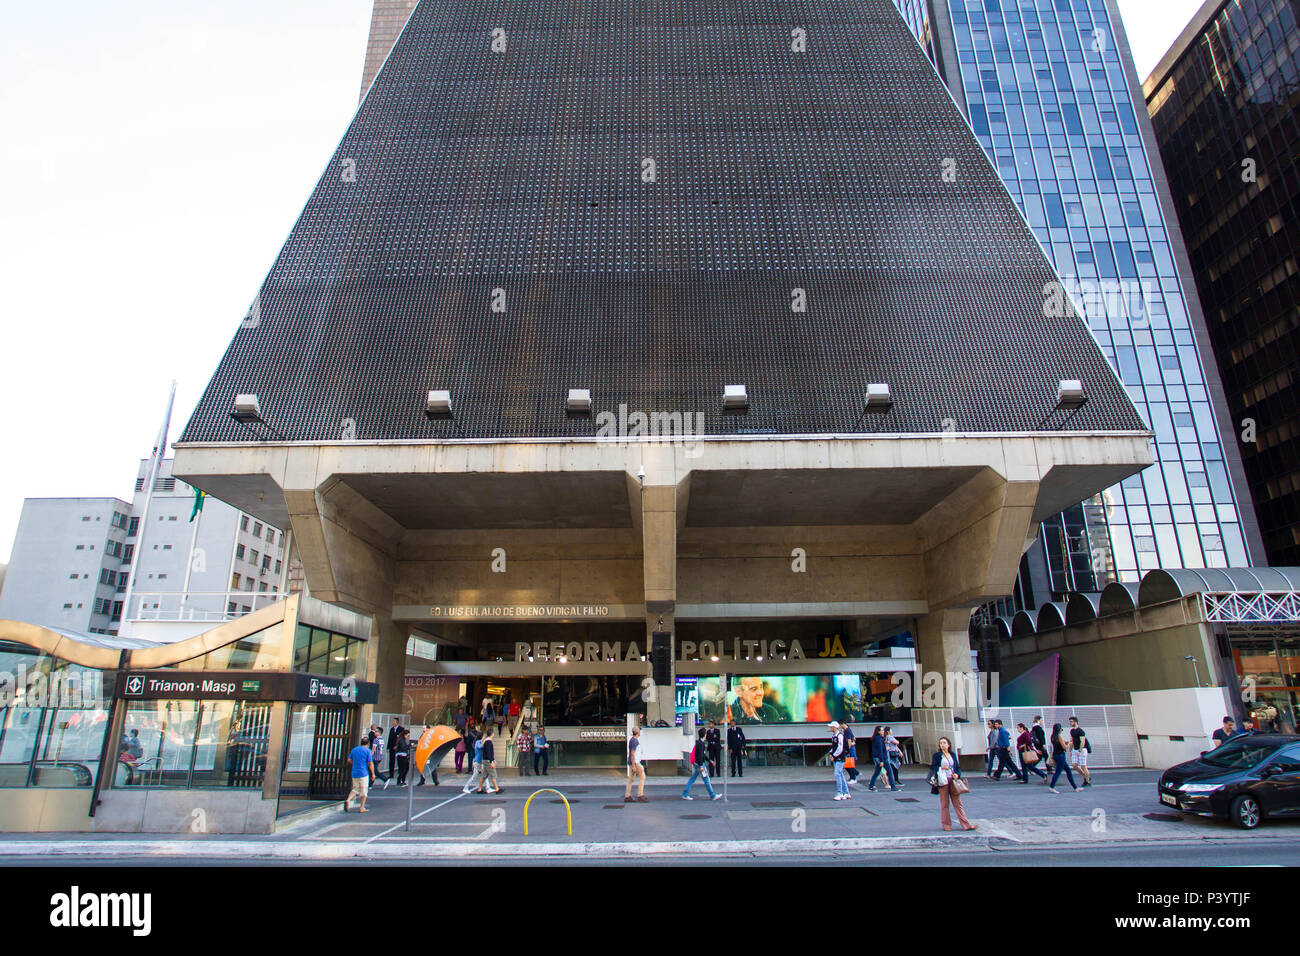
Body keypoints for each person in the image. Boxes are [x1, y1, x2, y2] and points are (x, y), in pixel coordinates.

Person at [929, 736, 976, 831]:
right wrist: (941, 768)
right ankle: (946, 825)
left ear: (948, 744)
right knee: (945, 804)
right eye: (941, 743)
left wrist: (957, 775)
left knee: (958, 803)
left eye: (944, 743)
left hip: (953, 780)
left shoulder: (953, 754)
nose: (942, 745)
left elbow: (957, 767)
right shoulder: (937, 756)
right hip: (943, 780)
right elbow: (933, 768)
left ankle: (966, 824)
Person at [682, 728, 721, 800]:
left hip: (697, 764)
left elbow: (702, 755)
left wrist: (710, 761)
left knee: (692, 779)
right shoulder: (701, 744)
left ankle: (685, 793)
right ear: (704, 735)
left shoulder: (699, 743)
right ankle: (713, 795)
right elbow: (700, 756)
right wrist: (701, 766)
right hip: (700, 764)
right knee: (706, 780)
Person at [343, 733, 374, 813]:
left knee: (355, 788)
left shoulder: (355, 749)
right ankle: (362, 807)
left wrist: (355, 763)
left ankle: (348, 800)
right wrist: (373, 774)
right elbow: (370, 763)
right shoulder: (368, 751)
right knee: (364, 791)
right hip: (363, 773)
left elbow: (349, 760)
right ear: (368, 743)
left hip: (354, 772)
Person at [1047, 722, 1080, 793]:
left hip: (1056, 754)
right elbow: (1064, 747)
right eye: (1061, 728)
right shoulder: (1059, 736)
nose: (1062, 729)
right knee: (1058, 772)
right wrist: (1069, 744)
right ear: (1059, 729)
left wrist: (1065, 743)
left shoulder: (1053, 736)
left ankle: (1075, 787)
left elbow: (1058, 744)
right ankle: (1052, 787)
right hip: (1061, 755)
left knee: (1068, 770)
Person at [867, 724, 901, 791]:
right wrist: (882, 760)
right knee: (890, 771)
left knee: (877, 771)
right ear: (878, 731)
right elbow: (880, 750)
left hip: (877, 757)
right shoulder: (879, 739)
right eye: (882, 730)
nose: (883, 731)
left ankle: (871, 785)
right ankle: (893, 786)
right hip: (882, 757)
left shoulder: (876, 738)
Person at [828, 721, 851, 800]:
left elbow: (840, 748)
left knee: (837, 774)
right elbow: (834, 747)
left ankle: (840, 792)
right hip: (837, 757)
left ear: (834, 727)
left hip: (840, 757)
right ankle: (846, 792)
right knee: (840, 774)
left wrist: (833, 755)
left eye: (831, 727)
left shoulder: (839, 736)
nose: (830, 728)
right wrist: (831, 753)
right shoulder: (834, 736)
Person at [624, 726, 647, 802]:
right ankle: (640, 795)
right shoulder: (634, 741)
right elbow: (632, 753)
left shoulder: (632, 740)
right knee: (642, 777)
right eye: (639, 731)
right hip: (636, 763)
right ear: (637, 732)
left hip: (632, 762)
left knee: (631, 779)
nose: (640, 732)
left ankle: (627, 796)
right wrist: (634, 765)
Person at [1068, 716, 1092, 787]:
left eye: (1071, 721)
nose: (1070, 723)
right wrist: (1070, 750)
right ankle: (1086, 776)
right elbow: (1071, 741)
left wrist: (1080, 750)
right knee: (1074, 765)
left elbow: (1083, 742)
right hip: (1075, 750)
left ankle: (1087, 782)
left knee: (1083, 766)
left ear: (1075, 722)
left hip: (1082, 750)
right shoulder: (1072, 731)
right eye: (1070, 721)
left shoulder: (1080, 731)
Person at [476, 729, 501, 794]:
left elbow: (489, 752)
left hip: (485, 760)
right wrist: (491, 761)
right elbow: (489, 752)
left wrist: (493, 759)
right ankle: (497, 789)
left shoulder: (486, 741)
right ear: (492, 734)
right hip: (487, 761)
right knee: (493, 775)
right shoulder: (489, 742)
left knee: (484, 775)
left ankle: (479, 789)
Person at [1030, 716, 1049, 782]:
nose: (1042, 722)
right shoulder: (1038, 728)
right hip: (1040, 745)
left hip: (1037, 744)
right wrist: (1043, 744)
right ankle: (1049, 769)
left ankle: (1031, 767)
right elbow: (1041, 737)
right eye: (1041, 720)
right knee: (1045, 756)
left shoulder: (1034, 727)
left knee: (1040, 757)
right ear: (1038, 720)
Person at [386, 717, 401, 783]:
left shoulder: (401, 729)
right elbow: (389, 738)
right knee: (391, 760)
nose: (393, 723)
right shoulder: (391, 729)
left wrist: (397, 745)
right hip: (392, 747)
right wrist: (388, 747)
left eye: (394, 721)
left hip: (398, 747)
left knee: (399, 760)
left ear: (397, 722)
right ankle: (391, 774)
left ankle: (400, 774)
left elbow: (401, 738)